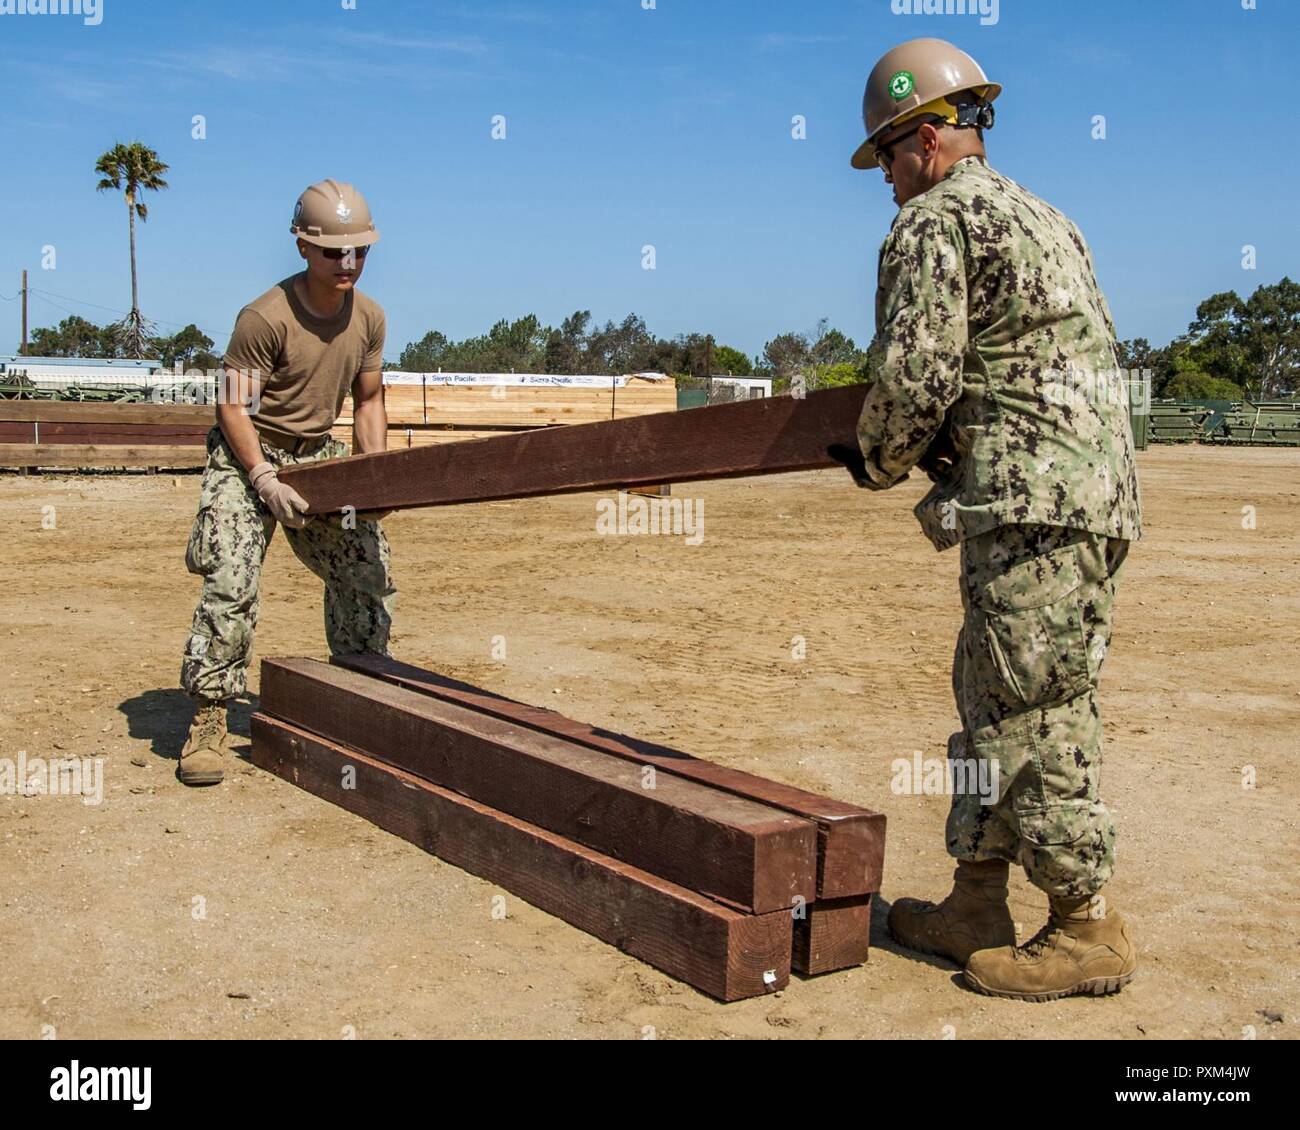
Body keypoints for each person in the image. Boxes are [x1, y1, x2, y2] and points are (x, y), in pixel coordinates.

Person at [842, 38, 1142, 1000]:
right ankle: (977, 896)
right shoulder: (1049, 217)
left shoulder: (937, 220)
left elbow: (916, 375)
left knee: (1039, 710)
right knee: (993, 699)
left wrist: (875, 456)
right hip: (1071, 498)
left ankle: (1085, 923)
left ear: (927, 139)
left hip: (1032, 502)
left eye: (888, 156)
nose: (885, 181)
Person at [177, 179, 396, 787]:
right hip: (248, 458)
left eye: (360, 250)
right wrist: (263, 478)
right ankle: (211, 716)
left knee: (364, 568)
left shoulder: (370, 318)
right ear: (303, 247)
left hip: (318, 456)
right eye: (334, 251)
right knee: (230, 578)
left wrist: (371, 478)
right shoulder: (264, 318)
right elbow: (232, 409)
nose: (348, 263)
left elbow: (371, 400)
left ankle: (361, 690)